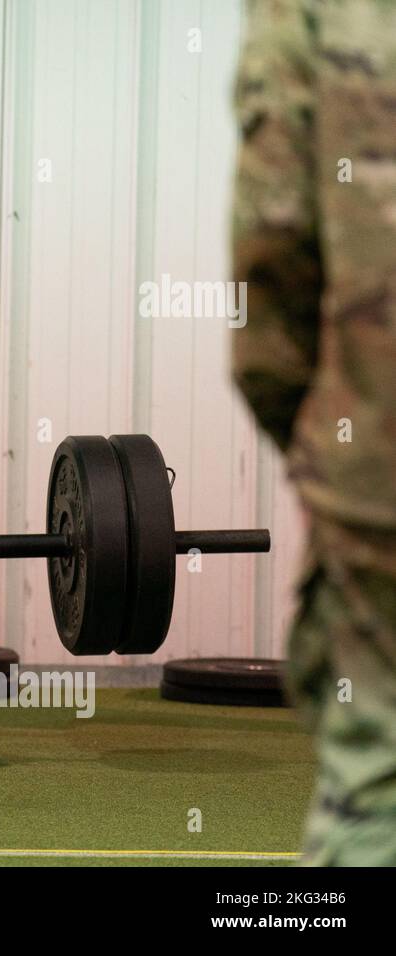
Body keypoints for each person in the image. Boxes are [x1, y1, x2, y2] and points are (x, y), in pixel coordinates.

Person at [232, 0, 396, 864]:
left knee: (378, 798)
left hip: (383, 466)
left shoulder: (316, 14)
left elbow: (274, 250)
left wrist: (326, 447)